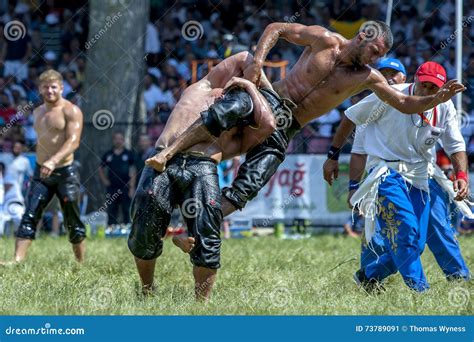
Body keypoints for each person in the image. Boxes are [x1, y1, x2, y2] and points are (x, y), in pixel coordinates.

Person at [151, 21, 464, 215]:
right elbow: (276, 28)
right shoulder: (324, 39)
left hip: (288, 127)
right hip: (267, 98)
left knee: (252, 182)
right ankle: (168, 152)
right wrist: (257, 63)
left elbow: (404, 102)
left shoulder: (367, 77)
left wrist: (435, 99)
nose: (375, 60)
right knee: (223, 115)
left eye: (379, 57)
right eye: (374, 52)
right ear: (362, 36)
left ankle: (203, 226)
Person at [129, 51, 276, 300]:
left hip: (203, 164)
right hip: (163, 157)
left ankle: (201, 304)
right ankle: (146, 291)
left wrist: (250, 86)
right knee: (144, 228)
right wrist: (252, 69)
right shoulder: (201, 86)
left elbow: (270, 122)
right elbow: (245, 56)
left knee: (206, 238)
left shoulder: (243, 112)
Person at [323, 61, 469, 292]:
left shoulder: (445, 105)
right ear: (415, 79)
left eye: (434, 88)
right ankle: (419, 291)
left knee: (417, 243)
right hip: (386, 174)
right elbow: (350, 117)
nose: (429, 91)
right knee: (407, 232)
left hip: (421, 176)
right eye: (425, 85)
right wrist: (332, 155)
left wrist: (461, 174)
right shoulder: (389, 96)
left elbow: (455, 144)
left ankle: (368, 276)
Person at [1, 69, 86, 264]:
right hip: (42, 171)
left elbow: (74, 141)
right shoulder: (38, 111)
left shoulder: (71, 110)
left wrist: (53, 160)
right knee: (30, 213)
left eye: (53, 87)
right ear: (40, 89)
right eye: (45, 87)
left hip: (65, 171)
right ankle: (17, 260)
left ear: (61, 88)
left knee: (72, 218)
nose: (49, 91)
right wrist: (45, 163)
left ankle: (80, 263)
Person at [99, 132, 136, 228]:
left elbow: (133, 170)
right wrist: (105, 180)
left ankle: (127, 228)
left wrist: (132, 187)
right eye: (116, 139)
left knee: (126, 208)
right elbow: (101, 168)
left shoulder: (128, 154)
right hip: (112, 187)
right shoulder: (108, 154)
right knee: (111, 208)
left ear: (123, 141)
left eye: (120, 139)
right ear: (113, 140)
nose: (118, 141)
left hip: (126, 187)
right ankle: (111, 228)